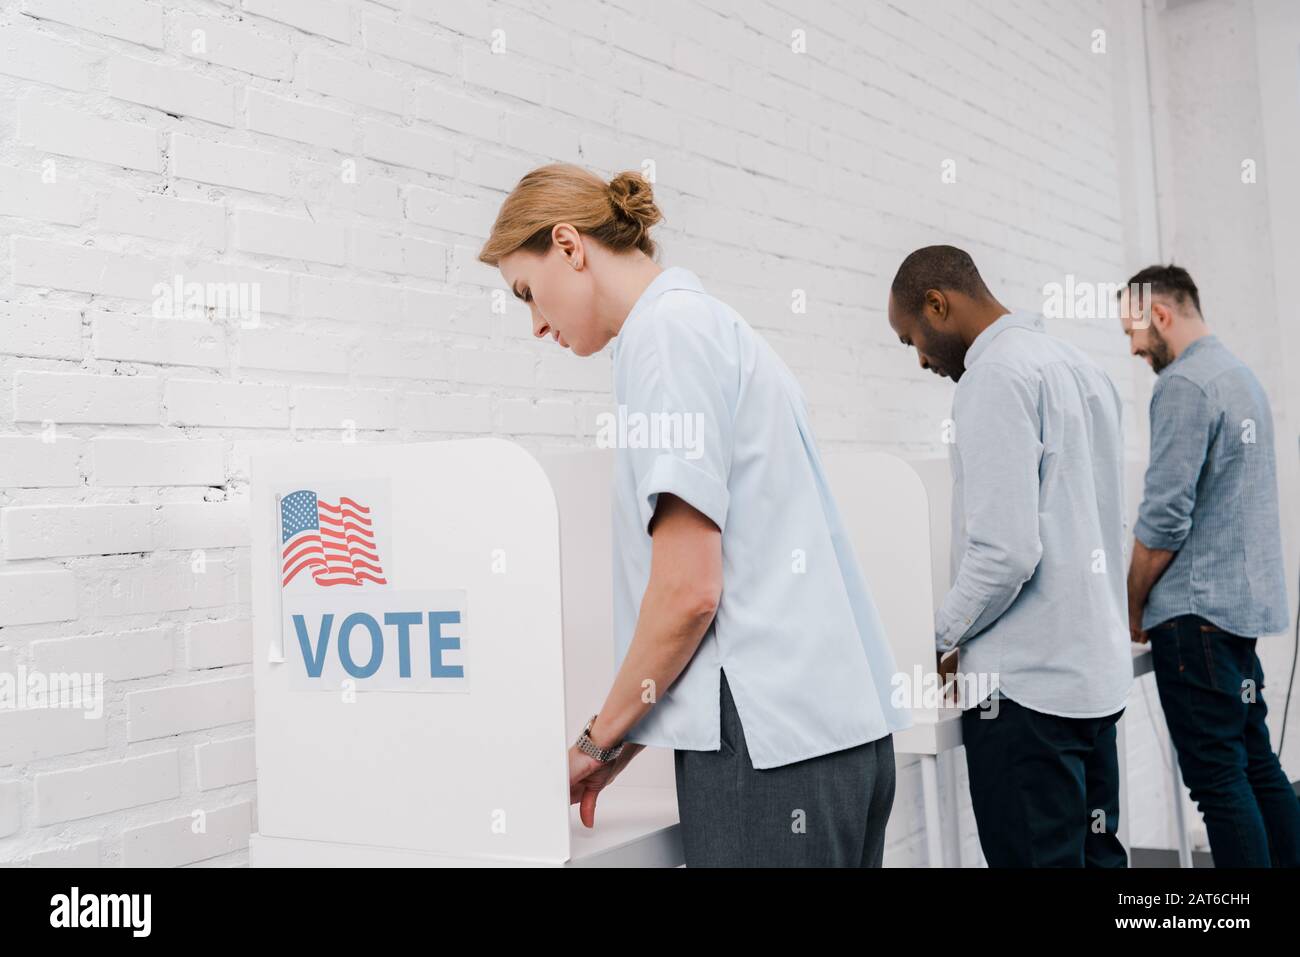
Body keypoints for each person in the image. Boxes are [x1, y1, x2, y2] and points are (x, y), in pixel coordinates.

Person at [478, 163, 910, 866]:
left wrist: (595, 741)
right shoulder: (713, 326)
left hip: (767, 755)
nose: (534, 323)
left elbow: (690, 592)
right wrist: (627, 738)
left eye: (527, 292)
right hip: (837, 742)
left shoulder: (666, 339)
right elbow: (742, 580)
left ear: (568, 245)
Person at [887, 245, 1131, 867]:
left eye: (912, 336)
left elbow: (1006, 552)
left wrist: (937, 640)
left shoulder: (994, 377)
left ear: (938, 304)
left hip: (1026, 697)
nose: (919, 359)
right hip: (1091, 684)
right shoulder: (1081, 367)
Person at [1120, 264, 1300, 867]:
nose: (1134, 348)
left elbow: (1165, 517)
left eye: (1134, 332)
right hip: (1236, 616)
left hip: (1193, 619)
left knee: (1219, 782)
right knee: (1256, 764)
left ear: (1162, 315)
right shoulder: (1238, 376)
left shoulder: (1183, 386)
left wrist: (1132, 605)